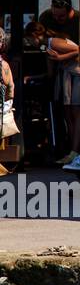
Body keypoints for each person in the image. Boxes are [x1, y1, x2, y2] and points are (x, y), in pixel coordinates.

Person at [41, 0, 80, 164]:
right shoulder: (47, 19)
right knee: (67, 110)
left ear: (70, 11)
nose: (58, 20)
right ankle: (72, 149)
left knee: (77, 108)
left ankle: (76, 150)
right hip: (66, 70)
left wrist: (59, 57)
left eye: (62, 17)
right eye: (55, 16)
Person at [0, 28, 17, 177]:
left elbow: (9, 86)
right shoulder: (3, 64)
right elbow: (10, 87)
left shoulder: (2, 65)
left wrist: (7, 105)